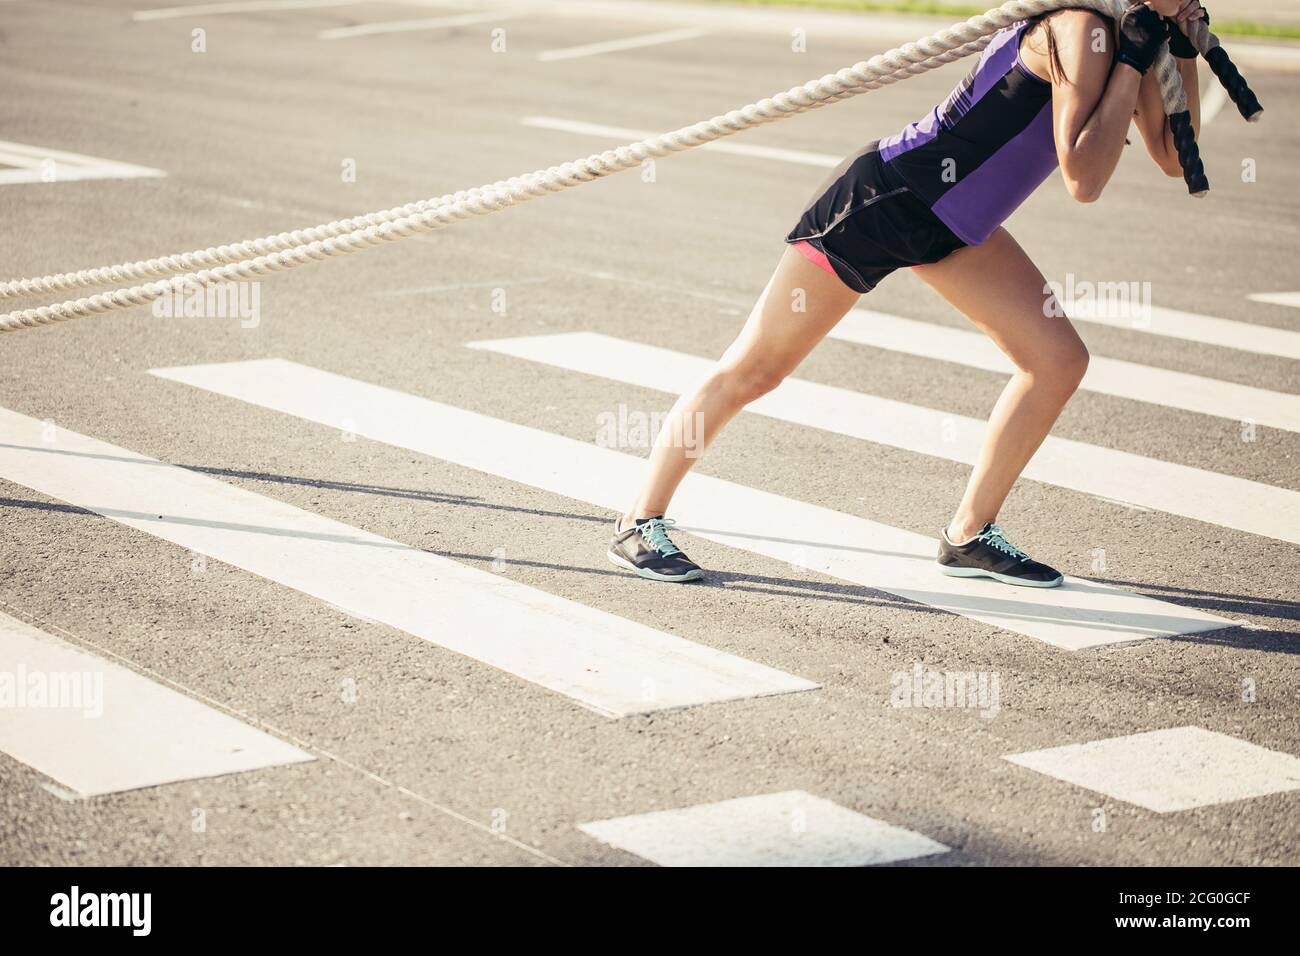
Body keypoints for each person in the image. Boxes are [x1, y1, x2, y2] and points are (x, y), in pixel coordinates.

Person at [608, 0, 1205, 587]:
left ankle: (969, 533)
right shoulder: (1079, 29)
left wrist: (1181, 48)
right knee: (756, 369)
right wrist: (1130, 60)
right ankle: (639, 519)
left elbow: (1179, 159)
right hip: (885, 199)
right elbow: (1084, 179)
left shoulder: (1130, 36)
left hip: (956, 227)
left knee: (1057, 361)